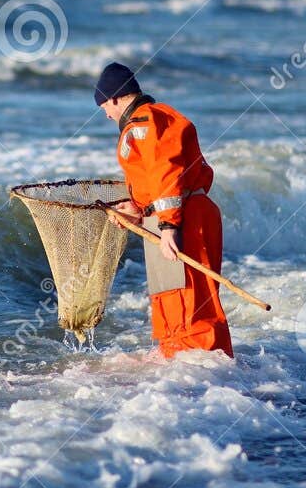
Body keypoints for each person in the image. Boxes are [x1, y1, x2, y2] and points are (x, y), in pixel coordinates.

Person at [94, 61, 233, 358]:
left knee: (188, 304)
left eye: (104, 105)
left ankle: (202, 375)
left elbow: (165, 173)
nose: (105, 114)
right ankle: (186, 368)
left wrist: (169, 226)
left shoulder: (142, 125)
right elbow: (163, 179)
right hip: (183, 213)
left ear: (116, 98)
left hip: (182, 221)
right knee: (179, 300)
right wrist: (141, 208)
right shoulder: (158, 118)